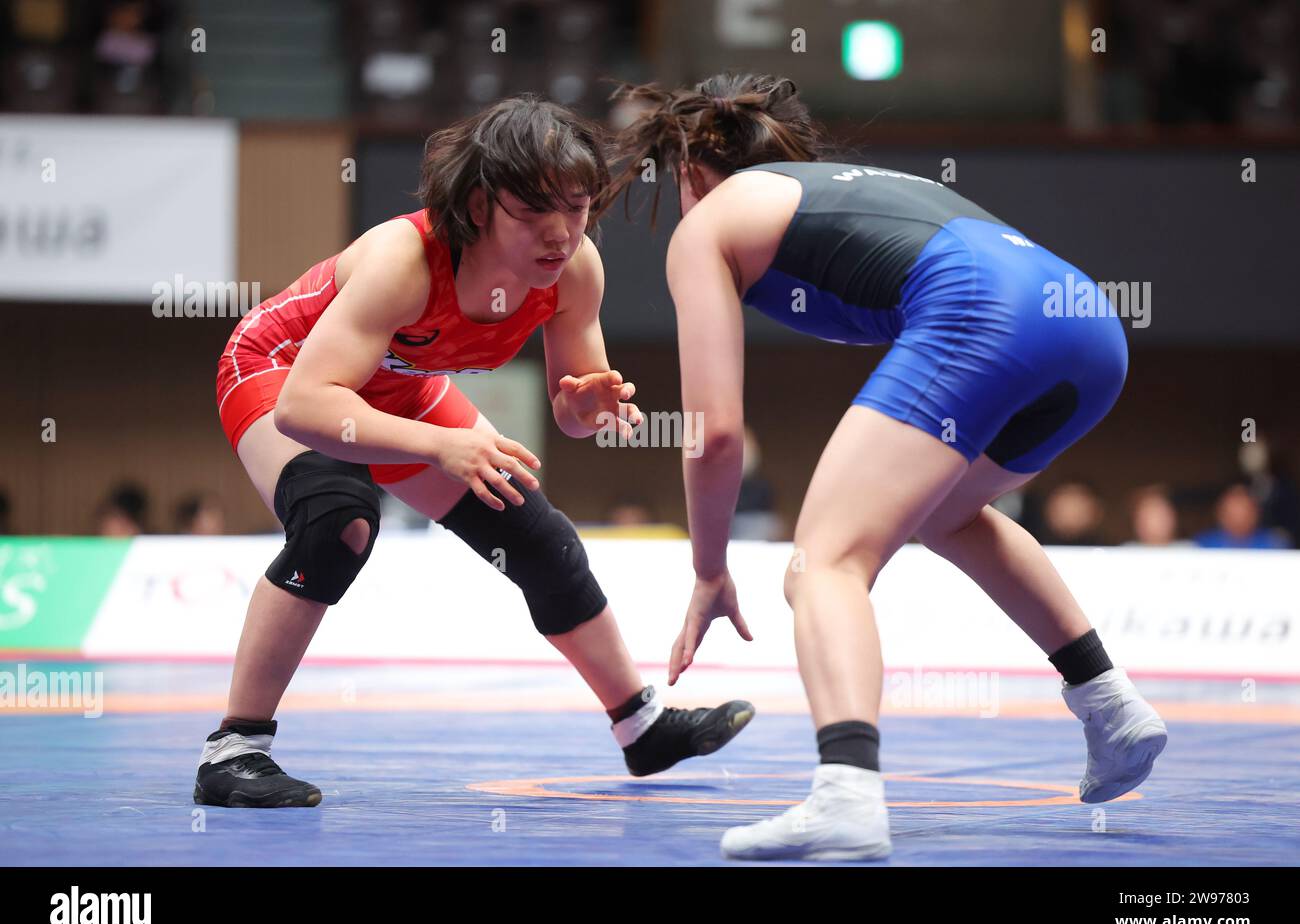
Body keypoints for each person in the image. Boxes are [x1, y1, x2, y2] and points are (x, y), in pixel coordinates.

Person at [600, 73, 1167, 860]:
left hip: (983, 306)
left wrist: (708, 569)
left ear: (691, 169)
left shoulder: (709, 225)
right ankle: (1111, 704)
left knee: (823, 562)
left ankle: (847, 794)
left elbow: (715, 433)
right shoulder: (839, 190)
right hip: (1087, 327)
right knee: (945, 514)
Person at [201, 95, 753, 809]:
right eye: (534, 214)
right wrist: (441, 444)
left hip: (400, 386)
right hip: (281, 370)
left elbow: (571, 411)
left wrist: (584, 409)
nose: (560, 235)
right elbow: (305, 407)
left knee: (533, 532)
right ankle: (234, 751)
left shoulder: (575, 270)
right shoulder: (405, 260)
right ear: (479, 205)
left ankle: (641, 727)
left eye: (578, 208)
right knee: (338, 517)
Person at [1195, 482, 1289, 549]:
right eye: (1232, 514)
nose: (1238, 520)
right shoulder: (1201, 546)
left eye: (1245, 513)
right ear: (1220, 515)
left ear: (1255, 514)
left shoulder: (1275, 543)